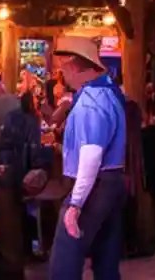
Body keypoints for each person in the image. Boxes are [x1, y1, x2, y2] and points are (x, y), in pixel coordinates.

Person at [48, 35, 126, 280]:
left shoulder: (90, 103)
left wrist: (75, 204)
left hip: (94, 186)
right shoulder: (110, 94)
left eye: (63, 69)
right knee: (105, 260)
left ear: (73, 64)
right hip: (112, 182)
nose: (62, 75)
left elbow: (91, 157)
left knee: (66, 259)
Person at [0, 91, 47, 280]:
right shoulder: (29, 120)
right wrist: (38, 166)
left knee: (10, 226)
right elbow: (34, 148)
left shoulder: (1, 122)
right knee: (27, 216)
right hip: (22, 175)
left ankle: (13, 267)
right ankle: (31, 251)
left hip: (7, 176)